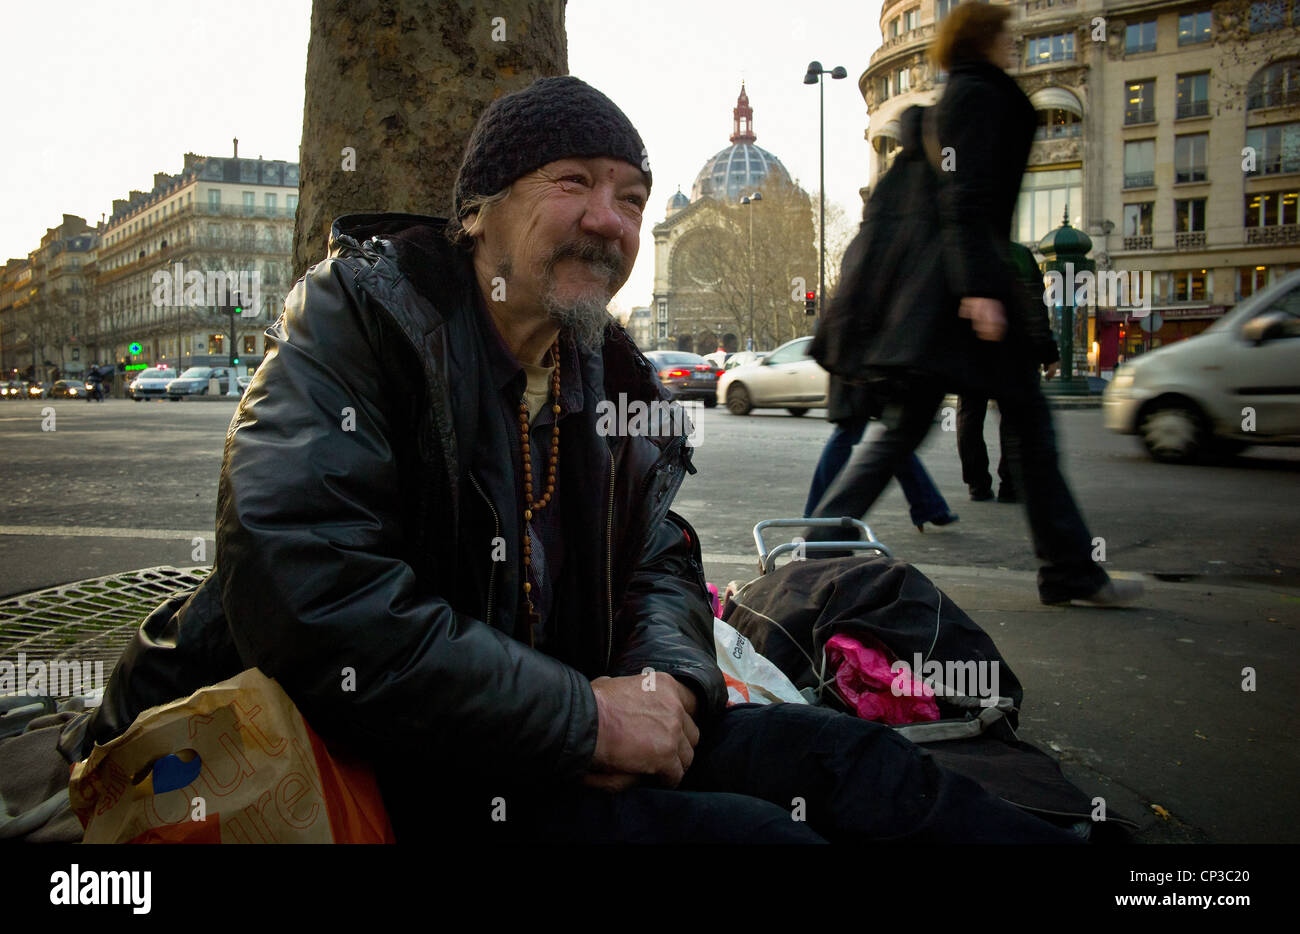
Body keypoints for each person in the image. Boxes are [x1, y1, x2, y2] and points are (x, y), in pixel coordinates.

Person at [61, 76, 1078, 844]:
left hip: (544, 730)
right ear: (478, 212)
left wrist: (671, 684)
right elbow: (309, 592)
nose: (610, 218)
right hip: (371, 760)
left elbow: (661, 559)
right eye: (574, 183)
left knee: (854, 757)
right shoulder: (359, 318)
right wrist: (579, 717)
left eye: (633, 196)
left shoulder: (612, 373)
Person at [805, 5, 1142, 608]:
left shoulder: (967, 95)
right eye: (1004, 35)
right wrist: (980, 291)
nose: (1013, 43)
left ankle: (811, 553)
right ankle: (1070, 569)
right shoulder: (977, 97)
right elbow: (966, 201)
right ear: (984, 40)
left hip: (944, 305)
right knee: (1020, 432)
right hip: (960, 304)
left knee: (908, 435)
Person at [958, 244, 1062, 504]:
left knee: (970, 416)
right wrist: (1048, 351)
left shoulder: (964, 252)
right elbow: (1037, 308)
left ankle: (978, 484)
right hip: (1016, 351)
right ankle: (1011, 484)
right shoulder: (1020, 255)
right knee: (1014, 418)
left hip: (973, 352)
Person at [805, 374, 958, 533]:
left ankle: (929, 507)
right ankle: (929, 507)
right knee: (893, 439)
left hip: (866, 369)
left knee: (892, 439)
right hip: (870, 369)